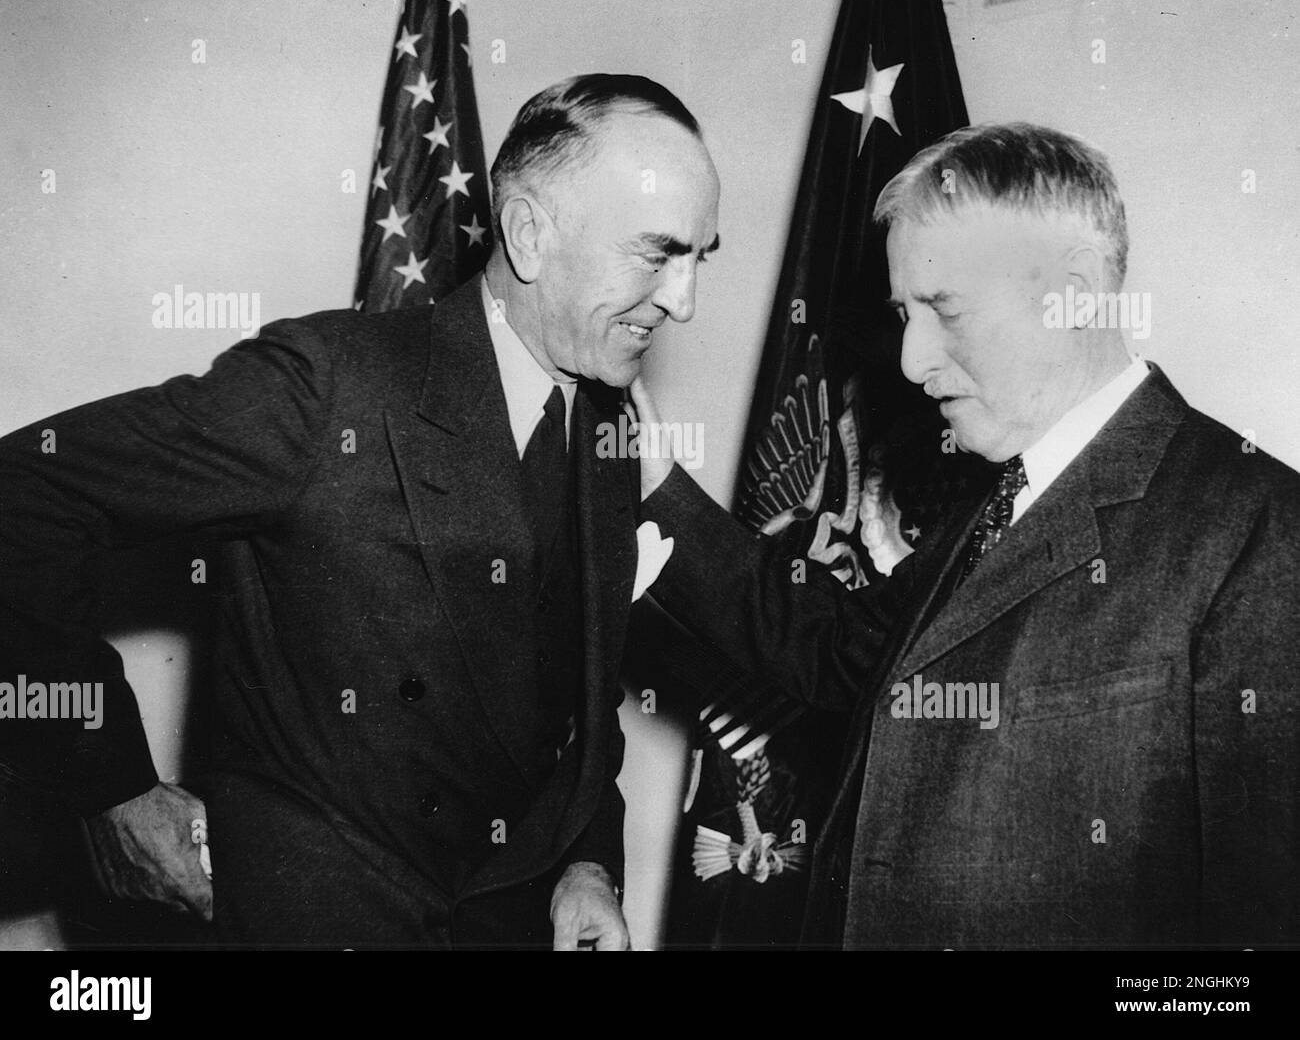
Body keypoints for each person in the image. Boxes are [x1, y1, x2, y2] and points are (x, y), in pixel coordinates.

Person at [0, 73, 721, 949]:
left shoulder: (606, 421)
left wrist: (585, 864)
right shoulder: (329, 385)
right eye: (657, 254)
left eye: (700, 260)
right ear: (530, 234)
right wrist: (108, 787)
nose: (683, 302)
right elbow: (24, 494)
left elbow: (580, 697)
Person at [630, 122, 1299, 949]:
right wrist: (657, 485)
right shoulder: (989, 507)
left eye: (945, 309)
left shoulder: (1258, 531)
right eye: (904, 313)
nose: (910, 360)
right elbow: (834, 645)